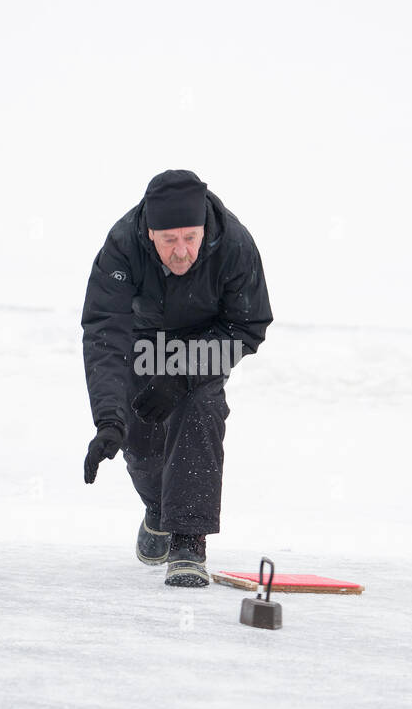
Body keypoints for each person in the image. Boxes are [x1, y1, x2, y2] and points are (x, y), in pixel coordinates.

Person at [82, 169, 272, 586]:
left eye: (190, 237)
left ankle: (189, 542)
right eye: (170, 240)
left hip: (206, 339)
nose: (182, 251)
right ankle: (158, 509)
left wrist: (183, 373)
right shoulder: (121, 246)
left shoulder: (234, 244)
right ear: (150, 234)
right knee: (140, 435)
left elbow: (249, 324)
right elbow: (104, 333)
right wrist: (109, 420)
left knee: (201, 410)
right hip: (142, 339)